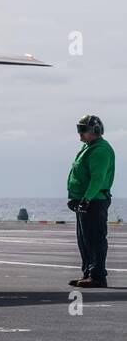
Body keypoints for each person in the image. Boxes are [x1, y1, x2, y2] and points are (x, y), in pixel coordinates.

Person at [67, 114, 114, 289]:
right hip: (86, 200)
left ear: (95, 130)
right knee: (84, 239)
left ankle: (97, 276)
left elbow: (98, 178)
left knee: (95, 239)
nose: (79, 134)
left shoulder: (100, 150)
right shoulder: (89, 147)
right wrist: (75, 198)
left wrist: (86, 199)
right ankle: (88, 273)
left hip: (95, 200)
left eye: (83, 130)